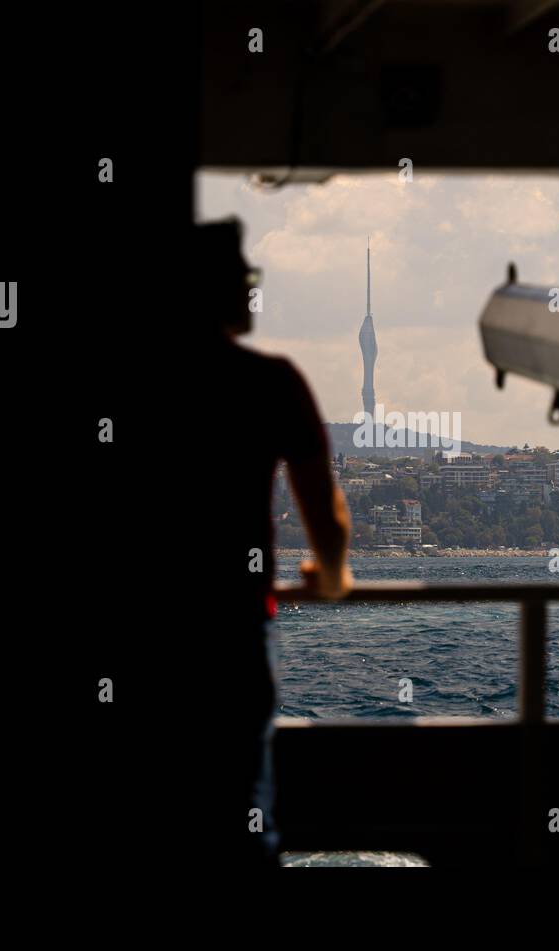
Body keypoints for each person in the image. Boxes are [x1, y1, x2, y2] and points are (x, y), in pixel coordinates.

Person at [201, 218, 353, 865]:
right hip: (234, 628)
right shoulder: (270, 382)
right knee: (241, 816)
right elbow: (323, 507)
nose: (251, 292)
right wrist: (333, 574)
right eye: (245, 280)